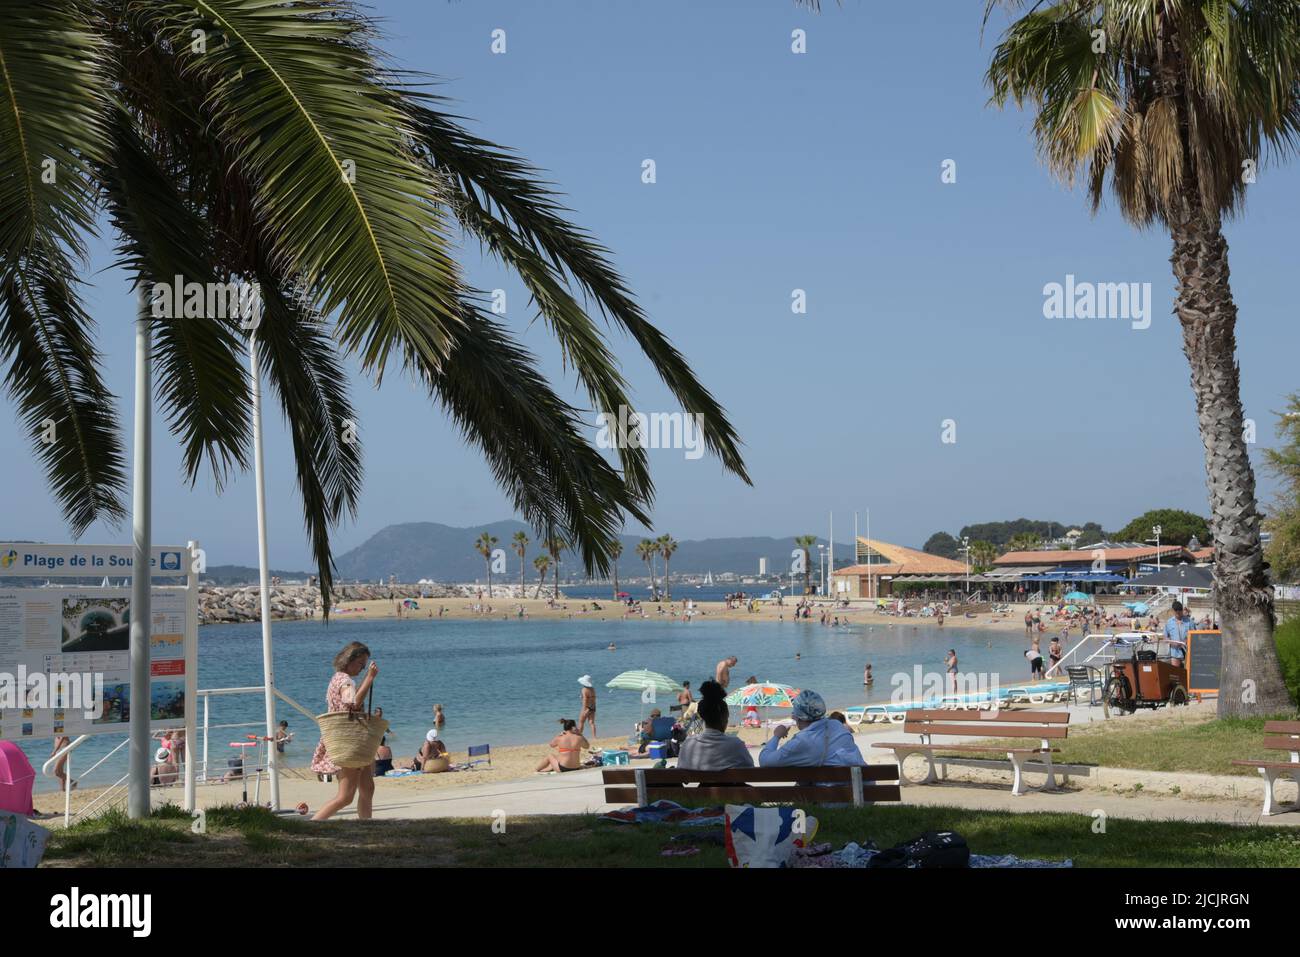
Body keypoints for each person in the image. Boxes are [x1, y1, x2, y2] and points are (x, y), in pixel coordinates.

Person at [310, 641, 379, 821]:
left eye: (364, 667)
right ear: (350, 660)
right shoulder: (345, 681)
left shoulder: (337, 678)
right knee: (345, 796)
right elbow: (353, 703)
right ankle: (313, 824)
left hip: (350, 738)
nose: (362, 669)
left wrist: (367, 679)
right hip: (349, 740)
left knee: (367, 788)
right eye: (360, 664)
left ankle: (366, 824)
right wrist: (370, 678)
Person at [760, 690, 865, 768]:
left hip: (833, 795)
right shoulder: (837, 725)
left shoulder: (802, 741)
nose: (793, 717)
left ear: (799, 716)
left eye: (794, 714)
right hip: (861, 788)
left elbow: (765, 761)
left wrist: (776, 736)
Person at [676, 680, 753, 771]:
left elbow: (683, 774)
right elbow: (750, 769)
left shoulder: (688, 745)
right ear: (726, 716)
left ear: (702, 715)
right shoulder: (736, 745)